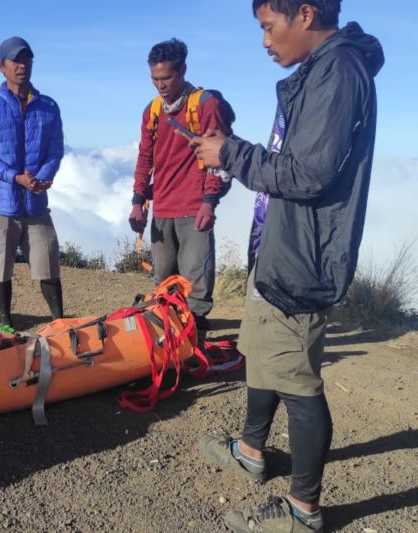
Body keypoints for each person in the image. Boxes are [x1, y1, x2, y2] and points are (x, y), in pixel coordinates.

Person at [189, 2, 383, 532]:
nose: (264, 41)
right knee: (262, 353)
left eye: (267, 28)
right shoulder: (321, 70)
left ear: (303, 14)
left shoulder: (339, 72)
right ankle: (252, 450)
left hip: (303, 259)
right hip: (282, 245)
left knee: (298, 382)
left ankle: (304, 513)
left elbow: (310, 175)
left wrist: (230, 153)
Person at [128, 38, 233, 335]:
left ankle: (194, 339)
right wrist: (137, 200)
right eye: (154, 79)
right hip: (162, 207)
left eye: (167, 78)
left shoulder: (205, 105)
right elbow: (145, 156)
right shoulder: (152, 111)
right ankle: (168, 338)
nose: (160, 85)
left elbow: (221, 157)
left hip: (194, 206)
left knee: (195, 282)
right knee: (163, 279)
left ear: (183, 70)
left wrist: (210, 201)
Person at [0, 36, 65, 334]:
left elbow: (55, 149)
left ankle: (60, 321)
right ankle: (6, 321)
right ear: (1, 67)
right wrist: (16, 177)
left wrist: (43, 177)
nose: (22, 66)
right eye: (15, 61)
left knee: (47, 259)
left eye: (27, 60)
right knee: (1, 264)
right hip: (1, 203)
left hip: (36, 202)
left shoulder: (48, 106)